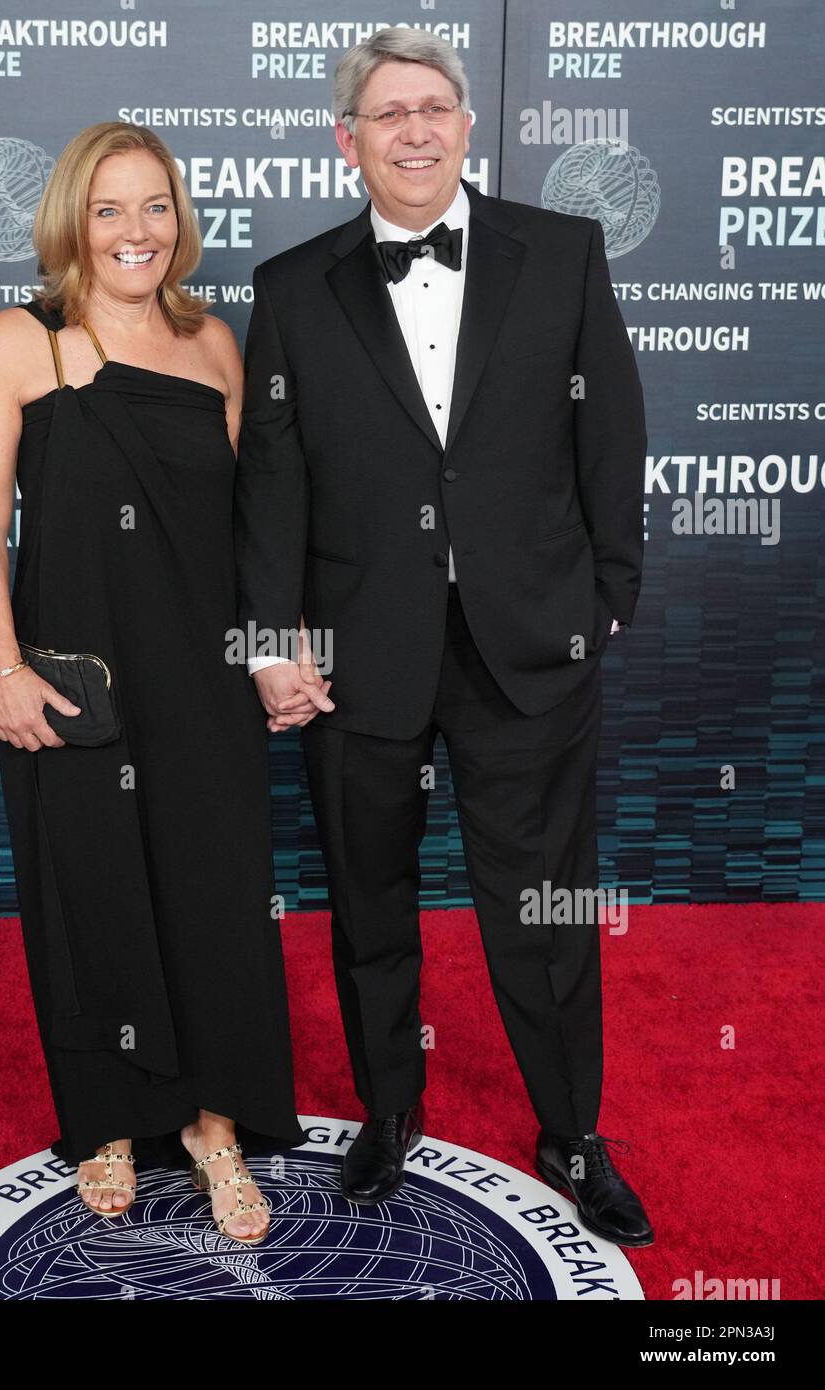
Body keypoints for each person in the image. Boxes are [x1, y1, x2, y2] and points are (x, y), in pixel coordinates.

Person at [235, 27, 654, 1246]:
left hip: (530, 643)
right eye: (386, 112)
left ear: (467, 125)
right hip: (360, 653)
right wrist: (270, 641)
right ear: (345, 139)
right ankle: (387, 1112)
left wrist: (603, 597)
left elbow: (609, 435)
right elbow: (271, 486)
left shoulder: (562, 254)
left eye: (433, 107)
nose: (413, 129)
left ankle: (571, 1130)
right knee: (368, 902)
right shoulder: (290, 288)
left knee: (548, 908)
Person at [0, 121, 305, 1246]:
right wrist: (1, 666)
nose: (135, 230)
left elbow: (253, 526)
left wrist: (271, 652)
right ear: (71, 221)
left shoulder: (213, 346)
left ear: (179, 221)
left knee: (211, 894)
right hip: (77, 679)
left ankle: (210, 1123)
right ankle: (107, 1116)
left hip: (201, 680)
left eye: (154, 206)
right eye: (109, 209)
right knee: (91, 891)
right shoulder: (21, 340)